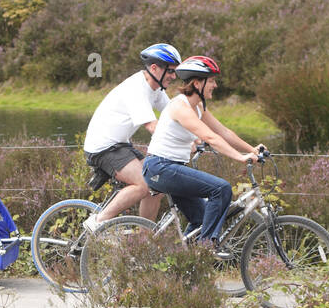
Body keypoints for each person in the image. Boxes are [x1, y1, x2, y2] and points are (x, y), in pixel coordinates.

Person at [142, 56, 262, 243]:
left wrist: (252, 150)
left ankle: (190, 263)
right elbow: (210, 137)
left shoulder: (197, 107)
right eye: (212, 81)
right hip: (160, 167)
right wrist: (240, 158)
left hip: (171, 168)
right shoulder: (180, 107)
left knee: (200, 219)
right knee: (221, 189)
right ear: (197, 83)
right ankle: (205, 250)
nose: (215, 85)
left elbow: (223, 132)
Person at [81, 43, 182, 229]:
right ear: (154, 68)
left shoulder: (156, 88)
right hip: (103, 147)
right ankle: (97, 223)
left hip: (119, 145)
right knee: (144, 184)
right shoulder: (137, 89)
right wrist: (182, 141)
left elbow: (174, 115)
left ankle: (145, 238)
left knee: (157, 185)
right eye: (170, 71)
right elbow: (152, 126)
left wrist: (198, 136)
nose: (173, 76)